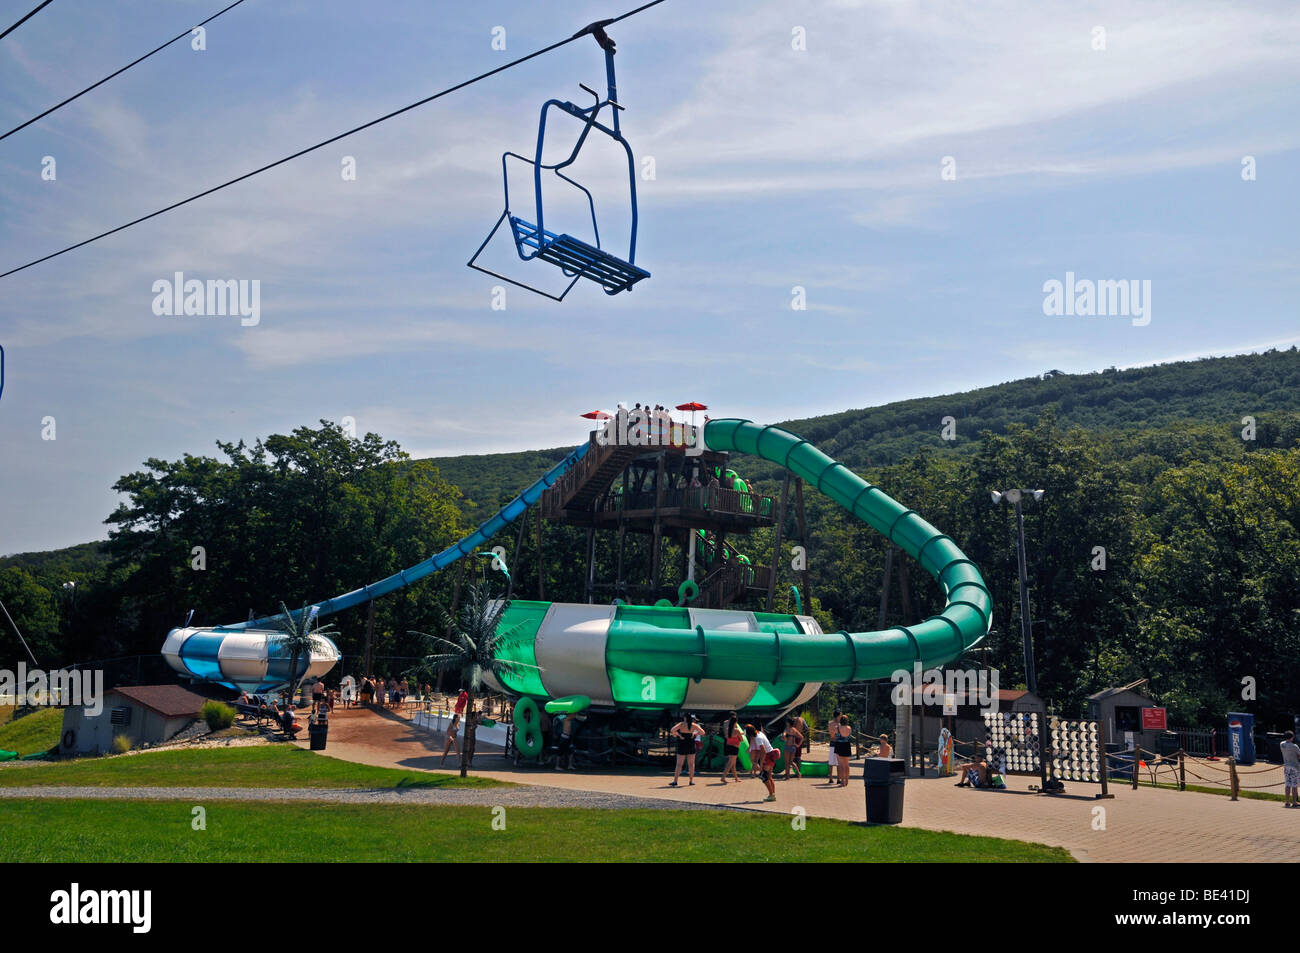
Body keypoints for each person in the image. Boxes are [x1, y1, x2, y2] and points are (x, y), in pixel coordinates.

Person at [669, 712, 702, 787]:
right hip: (690, 743)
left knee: (679, 764)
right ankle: (691, 781)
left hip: (682, 743)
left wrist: (679, 735)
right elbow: (703, 732)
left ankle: (675, 781)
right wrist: (695, 734)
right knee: (691, 764)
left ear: (684, 718)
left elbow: (672, 730)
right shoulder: (694, 725)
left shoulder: (681, 724)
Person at [746, 724, 777, 802]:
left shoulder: (758, 738)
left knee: (763, 776)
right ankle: (772, 794)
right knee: (769, 776)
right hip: (771, 754)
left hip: (768, 756)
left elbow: (763, 751)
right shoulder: (759, 733)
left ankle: (771, 795)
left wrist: (761, 763)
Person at [720, 712, 743, 784]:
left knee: (733, 764)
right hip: (735, 747)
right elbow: (741, 739)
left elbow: (726, 736)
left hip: (728, 745)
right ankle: (723, 777)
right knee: (730, 763)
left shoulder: (727, 728)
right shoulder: (736, 730)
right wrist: (739, 735)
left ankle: (736, 778)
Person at [832, 715, 853, 787]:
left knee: (840, 765)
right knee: (846, 765)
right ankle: (846, 781)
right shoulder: (849, 728)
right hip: (847, 746)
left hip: (839, 745)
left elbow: (834, 736)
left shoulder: (837, 728)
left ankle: (842, 781)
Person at [1282, 730, 1300, 808]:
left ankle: (1287, 802)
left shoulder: (1282, 744)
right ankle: (1294, 802)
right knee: (1294, 785)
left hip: (1286, 766)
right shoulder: (1294, 746)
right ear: (1292, 737)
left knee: (1287, 784)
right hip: (1295, 767)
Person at [825, 709, 842, 784]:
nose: (841, 717)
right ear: (838, 716)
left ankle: (833, 778)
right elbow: (834, 734)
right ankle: (836, 778)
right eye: (840, 715)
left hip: (833, 743)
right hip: (836, 743)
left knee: (833, 762)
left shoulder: (830, 723)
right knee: (836, 762)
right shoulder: (838, 725)